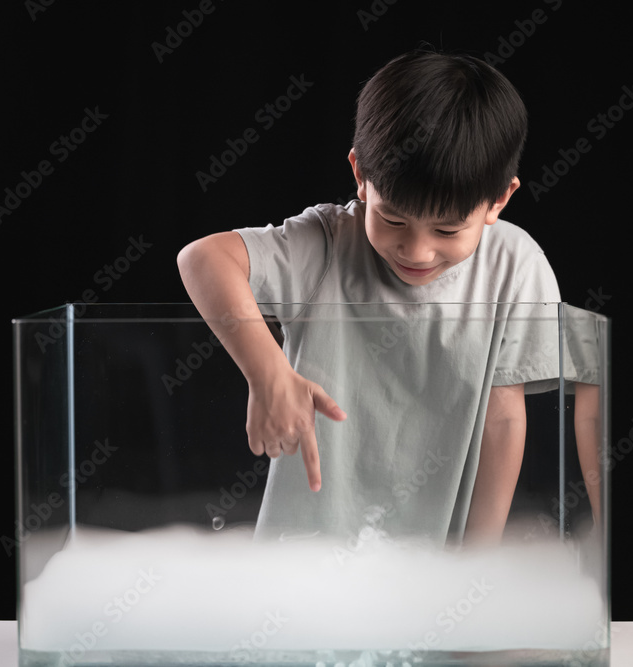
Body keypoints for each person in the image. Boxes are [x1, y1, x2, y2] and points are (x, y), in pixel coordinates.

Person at [177, 49, 561, 548]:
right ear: (360, 174)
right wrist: (266, 371)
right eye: (394, 219)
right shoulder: (327, 244)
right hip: (302, 566)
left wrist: (475, 569)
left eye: (447, 228)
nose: (417, 250)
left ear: (499, 200)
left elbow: (504, 419)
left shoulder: (515, 265)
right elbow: (202, 258)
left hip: (432, 576)